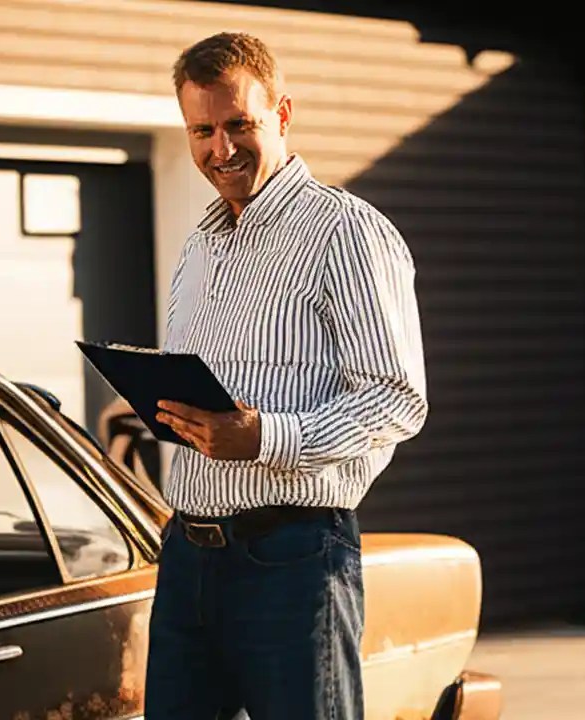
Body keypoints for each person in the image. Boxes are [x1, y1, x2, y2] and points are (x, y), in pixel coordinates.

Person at [146, 31, 428, 719]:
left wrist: (265, 436)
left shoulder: (346, 232)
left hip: (293, 560)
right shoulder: (200, 247)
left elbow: (398, 398)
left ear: (282, 113)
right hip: (187, 556)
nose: (222, 148)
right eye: (203, 129)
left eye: (240, 123)